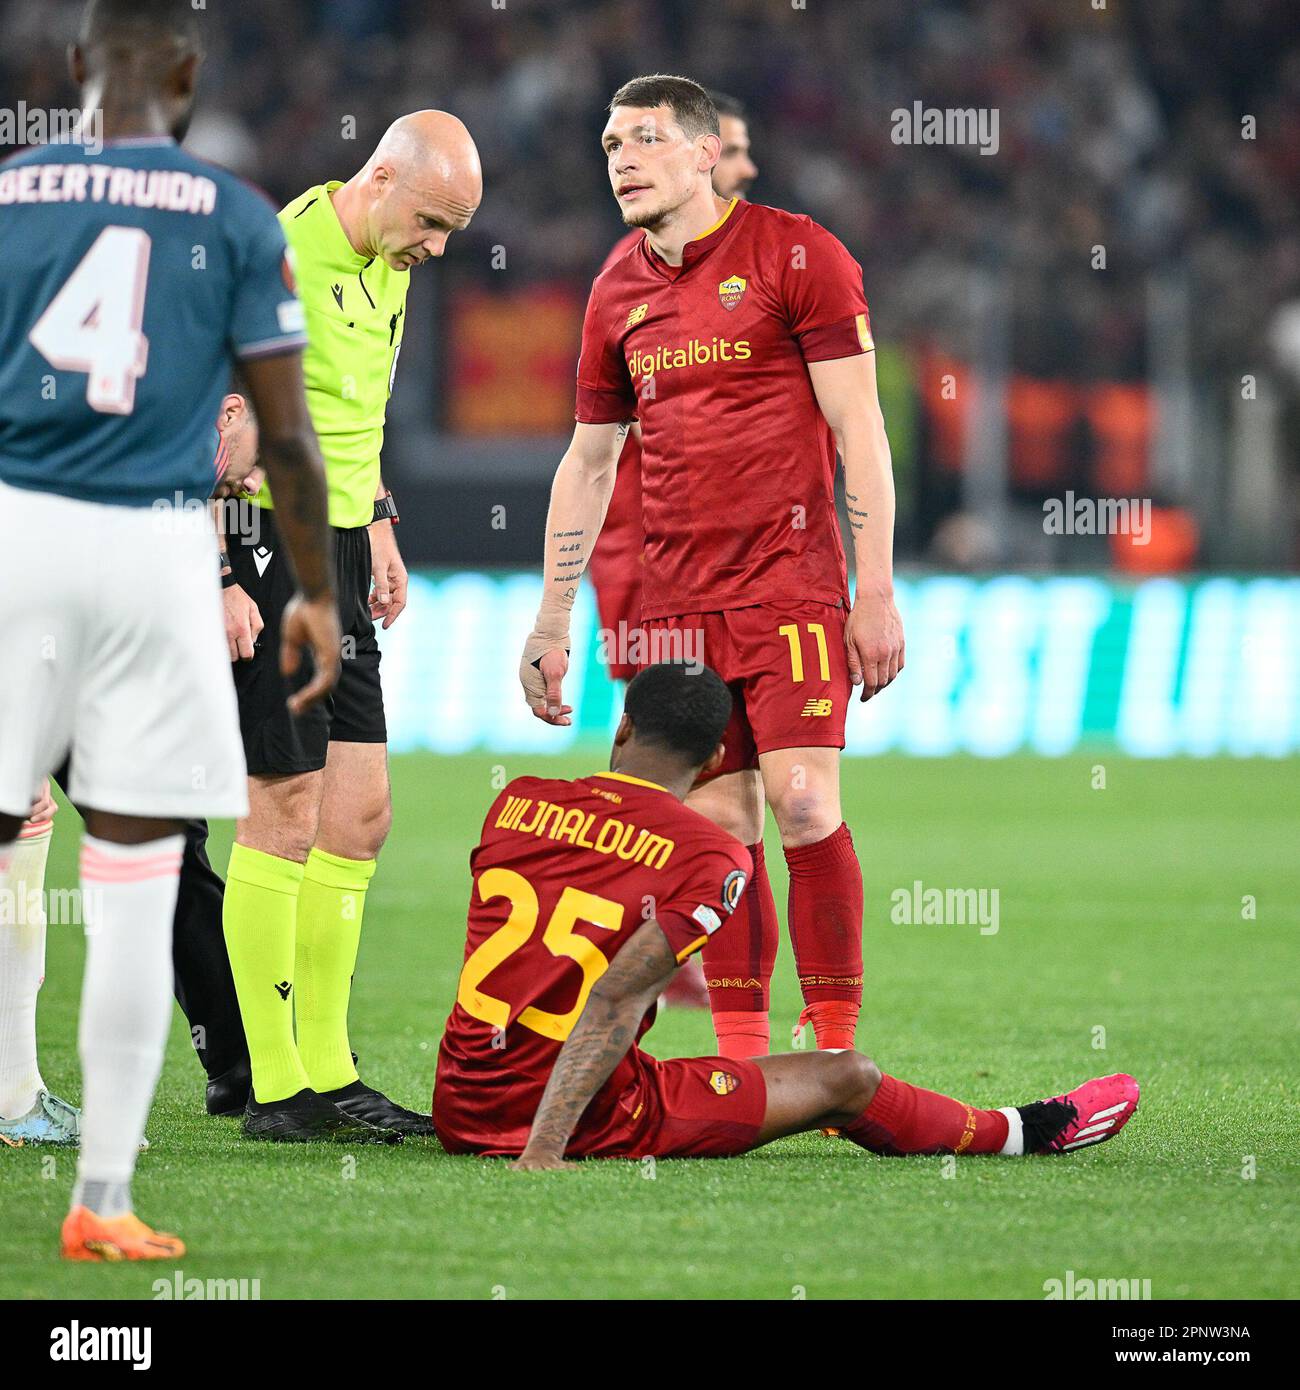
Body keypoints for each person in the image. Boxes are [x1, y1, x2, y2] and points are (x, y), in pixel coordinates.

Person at [0, 0, 341, 1257]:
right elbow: (288, 437)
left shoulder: (9, 194)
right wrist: (309, 586)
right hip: (155, 550)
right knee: (138, 877)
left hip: (16, 529)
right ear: (190, 74)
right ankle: (103, 1203)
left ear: (78, 69)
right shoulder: (239, 216)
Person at [521, 75, 903, 1061]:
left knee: (804, 801)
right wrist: (552, 619)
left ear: (705, 152)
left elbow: (858, 428)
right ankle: (741, 1055)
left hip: (790, 587)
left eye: (645, 139)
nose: (623, 161)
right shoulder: (615, 287)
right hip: (674, 608)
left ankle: (829, 1044)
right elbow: (589, 460)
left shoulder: (797, 254)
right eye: (610, 146)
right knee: (718, 827)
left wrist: (878, 591)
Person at [434, 663, 1140, 1166]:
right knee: (846, 1076)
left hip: (461, 1103)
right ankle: (1024, 1131)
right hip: (584, 1118)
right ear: (715, 761)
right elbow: (617, 996)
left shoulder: (516, 800)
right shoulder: (709, 856)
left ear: (623, 729)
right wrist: (542, 1151)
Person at [215, 111, 483, 1140]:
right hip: (271, 533)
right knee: (280, 804)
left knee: (359, 811)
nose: (439, 247)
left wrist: (379, 524)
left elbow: (353, 408)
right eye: (431, 221)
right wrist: (224, 567)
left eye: (455, 230)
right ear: (379, 178)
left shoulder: (391, 263)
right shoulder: (278, 253)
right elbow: (214, 411)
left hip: (338, 539)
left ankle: (330, 1068)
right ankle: (278, 1088)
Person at [587, 88, 757, 1015]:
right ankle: (631, 940)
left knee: (738, 782)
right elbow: (597, 444)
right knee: (656, 757)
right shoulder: (636, 281)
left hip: (733, 569)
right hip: (652, 559)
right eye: (740, 153)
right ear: (707, 155)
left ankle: (677, 942)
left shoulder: (761, 271)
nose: (750, 171)